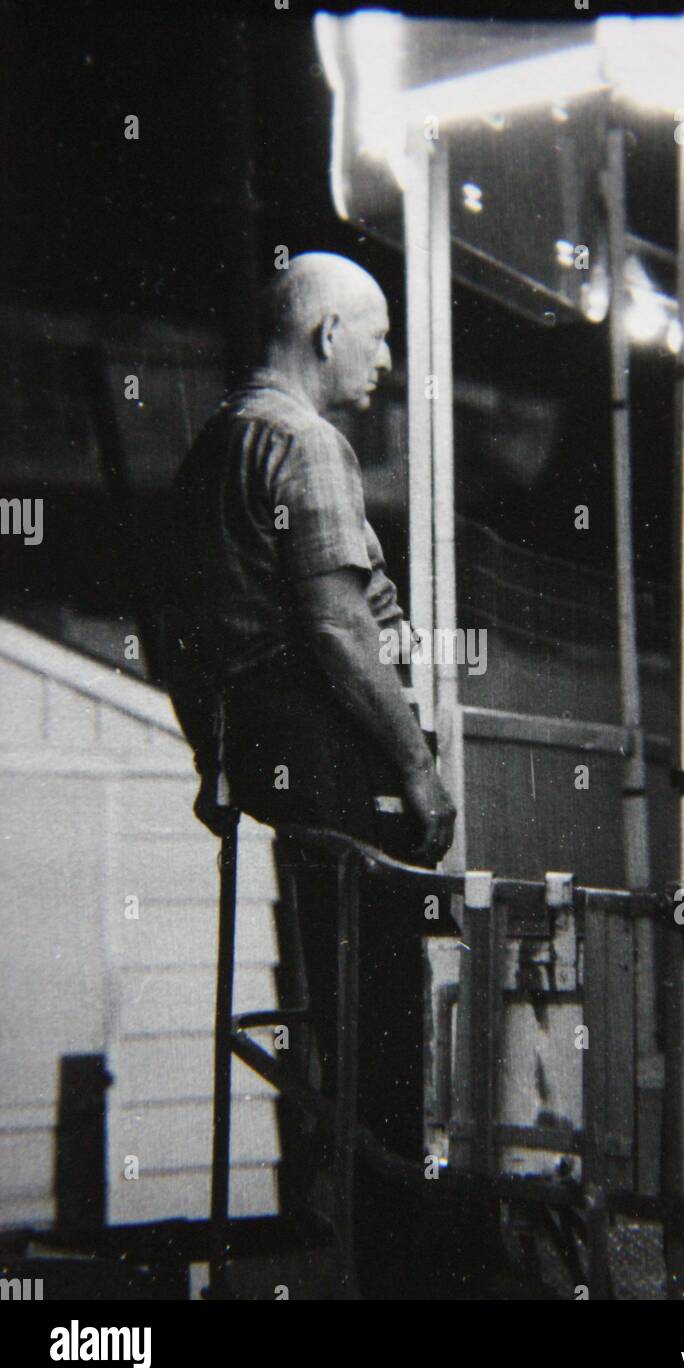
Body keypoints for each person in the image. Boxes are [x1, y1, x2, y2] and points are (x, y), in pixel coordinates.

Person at [164, 252, 457, 1295]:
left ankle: (361, 1240)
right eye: (376, 336)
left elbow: (174, 633)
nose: (386, 359)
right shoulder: (304, 442)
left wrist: (214, 757)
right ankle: (402, 1263)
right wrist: (418, 770)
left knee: (336, 1005)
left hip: (264, 749)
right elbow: (337, 628)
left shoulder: (213, 445)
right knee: (385, 1003)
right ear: (327, 332)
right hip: (332, 745)